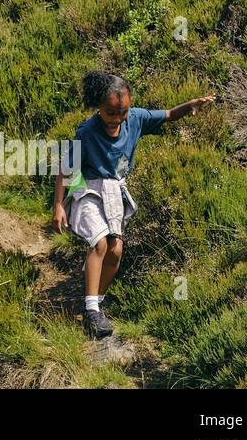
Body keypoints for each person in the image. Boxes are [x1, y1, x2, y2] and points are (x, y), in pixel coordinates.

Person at [52, 71, 215, 339]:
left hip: (115, 190)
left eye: (122, 112)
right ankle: (91, 310)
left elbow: (169, 115)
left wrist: (190, 105)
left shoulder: (136, 119)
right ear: (98, 107)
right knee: (100, 243)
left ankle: (97, 301)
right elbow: (66, 169)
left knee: (116, 250)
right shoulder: (87, 131)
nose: (117, 119)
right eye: (110, 113)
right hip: (89, 189)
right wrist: (59, 205)